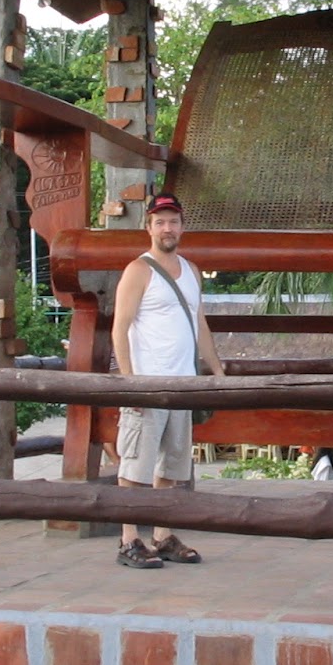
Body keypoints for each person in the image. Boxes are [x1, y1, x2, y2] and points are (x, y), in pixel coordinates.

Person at [110, 191, 224, 570]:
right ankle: (129, 539)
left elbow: (200, 324)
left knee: (172, 466)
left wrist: (217, 369)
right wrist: (130, 383)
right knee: (136, 465)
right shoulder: (138, 271)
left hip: (183, 382)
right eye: (160, 221)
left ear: (182, 226)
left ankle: (162, 534)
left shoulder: (191, 271)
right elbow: (120, 329)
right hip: (148, 381)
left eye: (173, 221)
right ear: (149, 228)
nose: (167, 227)